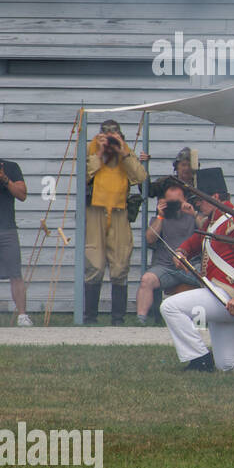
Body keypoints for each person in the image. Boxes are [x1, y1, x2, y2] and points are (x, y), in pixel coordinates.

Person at [161, 168, 234, 372]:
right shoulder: (212, 222)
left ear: (215, 197)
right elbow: (194, 242)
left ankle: (199, 359)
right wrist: (181, 251)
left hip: (230, 297)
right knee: (227, 365)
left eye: (200, 200)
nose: (197, 204)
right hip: (220, 297)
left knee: (170, 306)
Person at [85, 118, 149, 325]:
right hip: (95, 211)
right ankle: (90, 318)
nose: (111, 140)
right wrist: (100, 152)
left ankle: (118, 319)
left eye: (115, 136)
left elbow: (140, 177)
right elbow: (82, 176)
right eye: (107, 135)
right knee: (94, 264)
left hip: (120, 212)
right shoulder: (92, 149)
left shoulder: (125, 151)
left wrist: (124, 152)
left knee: (120, 265)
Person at [135, 178, 198, 324]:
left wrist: (193, 214)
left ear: (186, 199)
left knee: (205, 283)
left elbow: (207, 232)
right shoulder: (159, 218)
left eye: (178, 202)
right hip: (165, 267)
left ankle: (200, 323)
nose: (175, 206)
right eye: (171, 202)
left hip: (191, 266)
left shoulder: (194, 216)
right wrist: (160, 215)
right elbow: (150, 239)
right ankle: (140, 320)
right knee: (146, 280)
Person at [0, 153, 31, 326]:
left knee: (15, 274)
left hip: (7, 229)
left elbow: (22, 195)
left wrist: (5, 179)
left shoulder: (10, 167)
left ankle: (22, 316)